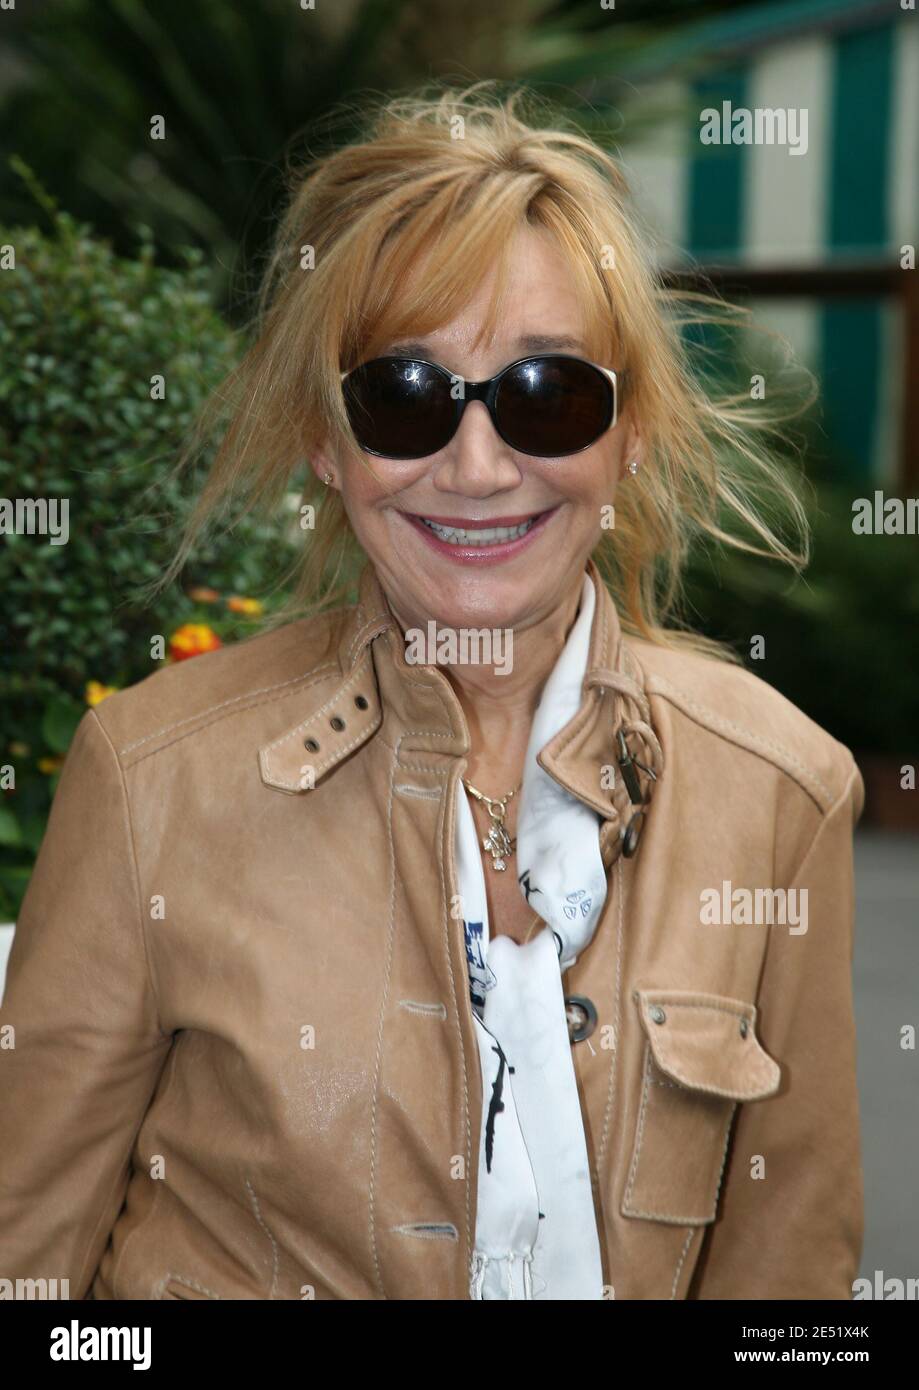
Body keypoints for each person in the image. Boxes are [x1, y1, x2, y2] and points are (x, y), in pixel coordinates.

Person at [0, 83, 864, 1300]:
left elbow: (788, 1289)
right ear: (324, 438)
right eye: (402, 395)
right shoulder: (153, 777)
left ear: (629, 432)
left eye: (545, 393)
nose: (475, 467)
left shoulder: (782, 790)